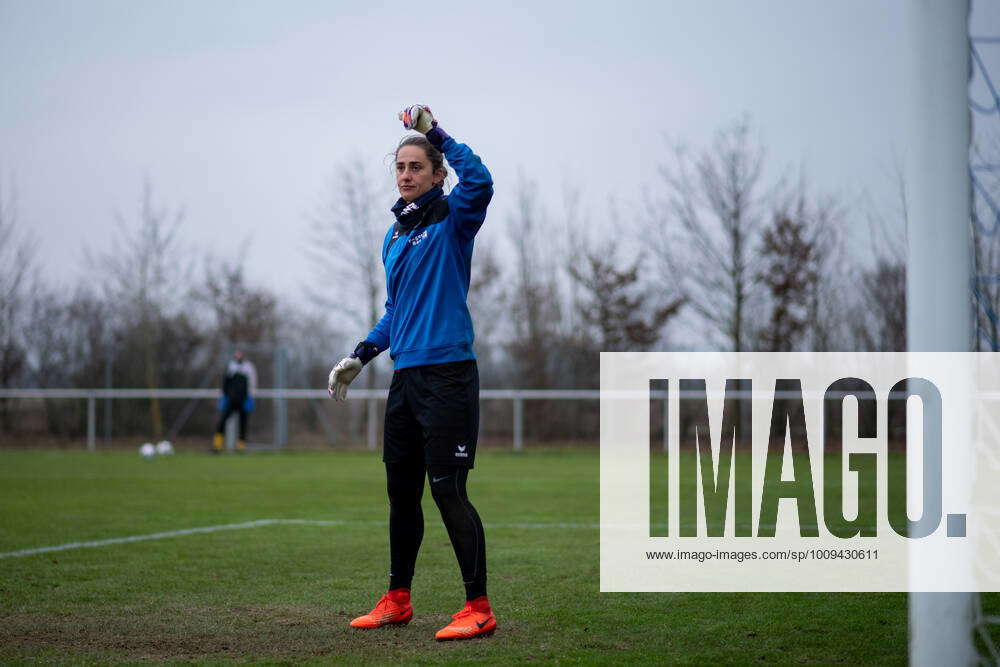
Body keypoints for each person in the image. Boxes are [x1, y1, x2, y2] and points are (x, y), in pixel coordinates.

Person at [328, 105, 496, 641]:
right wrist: (362, 354)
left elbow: (483, 179)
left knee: (447, 488)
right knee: (402, 492)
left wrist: (436, 133)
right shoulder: (394, 237)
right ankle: (398, 599)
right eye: (399, 167)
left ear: (437, 173)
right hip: (407, 381)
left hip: (449, 376)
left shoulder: (454, 216)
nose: (405, 174)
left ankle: (478, 608)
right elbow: (397, 311)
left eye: (416, 166)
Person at [213, 350, 257, 453]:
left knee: (243, 424)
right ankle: (217, 446)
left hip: (244, 399)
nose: (238, 356)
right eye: (236, 354)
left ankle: (240, 447)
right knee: (222, 422)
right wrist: (224, 396)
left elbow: (253, 383)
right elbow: (225, 383)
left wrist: (251, 397)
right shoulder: (231, 366)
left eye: (240, 354)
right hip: (231, 400)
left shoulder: (249, 367)